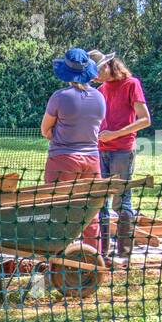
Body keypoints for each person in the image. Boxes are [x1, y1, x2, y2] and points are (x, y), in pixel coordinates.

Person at [40, 47, 107, 254]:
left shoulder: (60, 97)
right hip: (92, 159)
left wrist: (60, 135)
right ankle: (92, 259)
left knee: (58, 209)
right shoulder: (99, 97)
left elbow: (45, 130)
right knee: (90, 212)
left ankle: (58, 257)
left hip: (63, 159)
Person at [89, 50, 151, 261]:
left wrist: (115, 134)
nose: (95, 77)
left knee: (122, 202)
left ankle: (124, 254)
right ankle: (102, 252)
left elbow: (145, 120)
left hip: (123, 150)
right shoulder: (100, 90)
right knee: (99, 203)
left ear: (109, 65)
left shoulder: (132, 84)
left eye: (97, 71)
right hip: (100, 150)